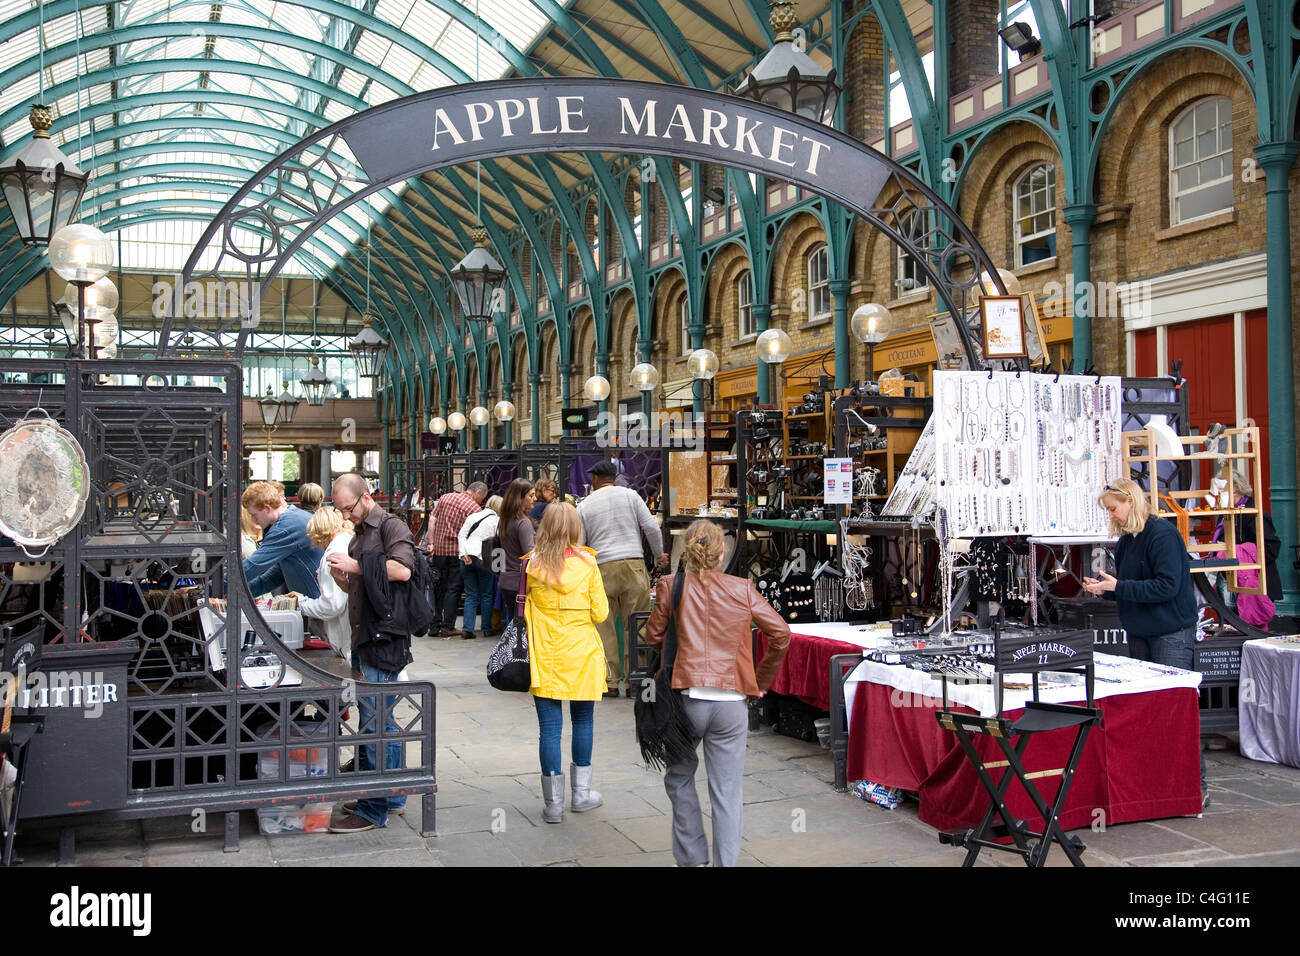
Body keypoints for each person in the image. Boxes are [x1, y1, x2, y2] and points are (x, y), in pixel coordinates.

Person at [645, 519, 790, 867]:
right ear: (722, 550)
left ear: (688, 551)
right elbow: (781, 634)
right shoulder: (743, 589)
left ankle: (693, 859)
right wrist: (761, 681)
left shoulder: (670, 585)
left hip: (686, 699)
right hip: (732, 701)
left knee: (679, 778)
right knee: (727, 793)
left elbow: (651, 636)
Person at [1082, 477, 1206, 806]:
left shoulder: (1162, 535)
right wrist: (1105, 590)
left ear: (1130, 501)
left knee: (1174, 706)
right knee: (1150, 706)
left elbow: (1165, 586)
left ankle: (1197, 785)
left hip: (1170, 631)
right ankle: (1159, 782)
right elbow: (1131, 588)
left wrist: (1117, 588)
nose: (1111, 516)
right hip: (1141, 629)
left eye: (1113, 508)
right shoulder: (1127, 541)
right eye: (1108, 510)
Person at [325, 473, 415, 833]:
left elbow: (402, 570)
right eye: (340, 510)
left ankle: (373, 808)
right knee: (382, 722)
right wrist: (343, 578)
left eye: (348, 508)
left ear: (366, 497)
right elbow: (366, 582)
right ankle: (391, 798)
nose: (345, 516)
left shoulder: (391, 527)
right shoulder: (361, 531)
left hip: (385, 640)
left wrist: (356, 566)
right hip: (365, 637)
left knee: (376, 724)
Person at [524, 503, 609, 824]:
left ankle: (553, 804)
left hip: (544, 653)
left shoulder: (531, 565)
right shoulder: (588, 565)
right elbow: (600, 613)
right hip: (582, 653)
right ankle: (582, 794)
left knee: (549, 729)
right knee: (583, 722)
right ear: (576, 528)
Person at [577, 460, 667, 697]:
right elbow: (652, 528)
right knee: (636, 624)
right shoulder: (630, 496)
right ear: (614, 478)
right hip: (633, 564)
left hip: (601, 568)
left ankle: (611, 681)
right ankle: (635, 679)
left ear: (596, 479)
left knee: (604, 627)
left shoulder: (585, 505)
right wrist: (659, 556)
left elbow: (580, 544)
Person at [423, 481, 488, 636]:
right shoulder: (474, 508)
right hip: (458, 552)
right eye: (481, 498)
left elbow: (432, 520)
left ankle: (434, 625)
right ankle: (448, 626)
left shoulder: (445, 498)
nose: (480, 502)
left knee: (438, 587)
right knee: (453, 589)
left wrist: (431, 543)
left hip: (439, 551)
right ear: (477, 493)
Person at [241, 481, 323, 599]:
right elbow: (274, 577)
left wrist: (213, 587)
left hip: (317, 606)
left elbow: (253, 566)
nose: (253, 520)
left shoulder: (285, 528)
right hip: (317, 605)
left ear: (267, 508)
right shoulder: (292, 519)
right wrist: (238, 594)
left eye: (254, 515)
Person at [290, 505, 353, 658]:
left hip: (348, 643)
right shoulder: (350, 542)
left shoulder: (333, 555)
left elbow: (332, 605)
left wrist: (301, 603)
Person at [458, 494, 502, 640]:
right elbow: (499, 541)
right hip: (484, 559)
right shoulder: (497, 520)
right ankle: (486, 628)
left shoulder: (473, 517)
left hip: (467, 558)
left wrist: (463, 553)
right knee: (486, 594)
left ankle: (467, 629)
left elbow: (462, 535)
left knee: (471, 594)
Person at [498, 479, 537, 623]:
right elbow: (530, 554)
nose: (535, 499)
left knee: (514, 624)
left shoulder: (504, 520)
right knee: (522, 627)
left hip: (506, 580)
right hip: (520, 582)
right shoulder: (523, 522)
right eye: (531, 495)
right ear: (519, 498)